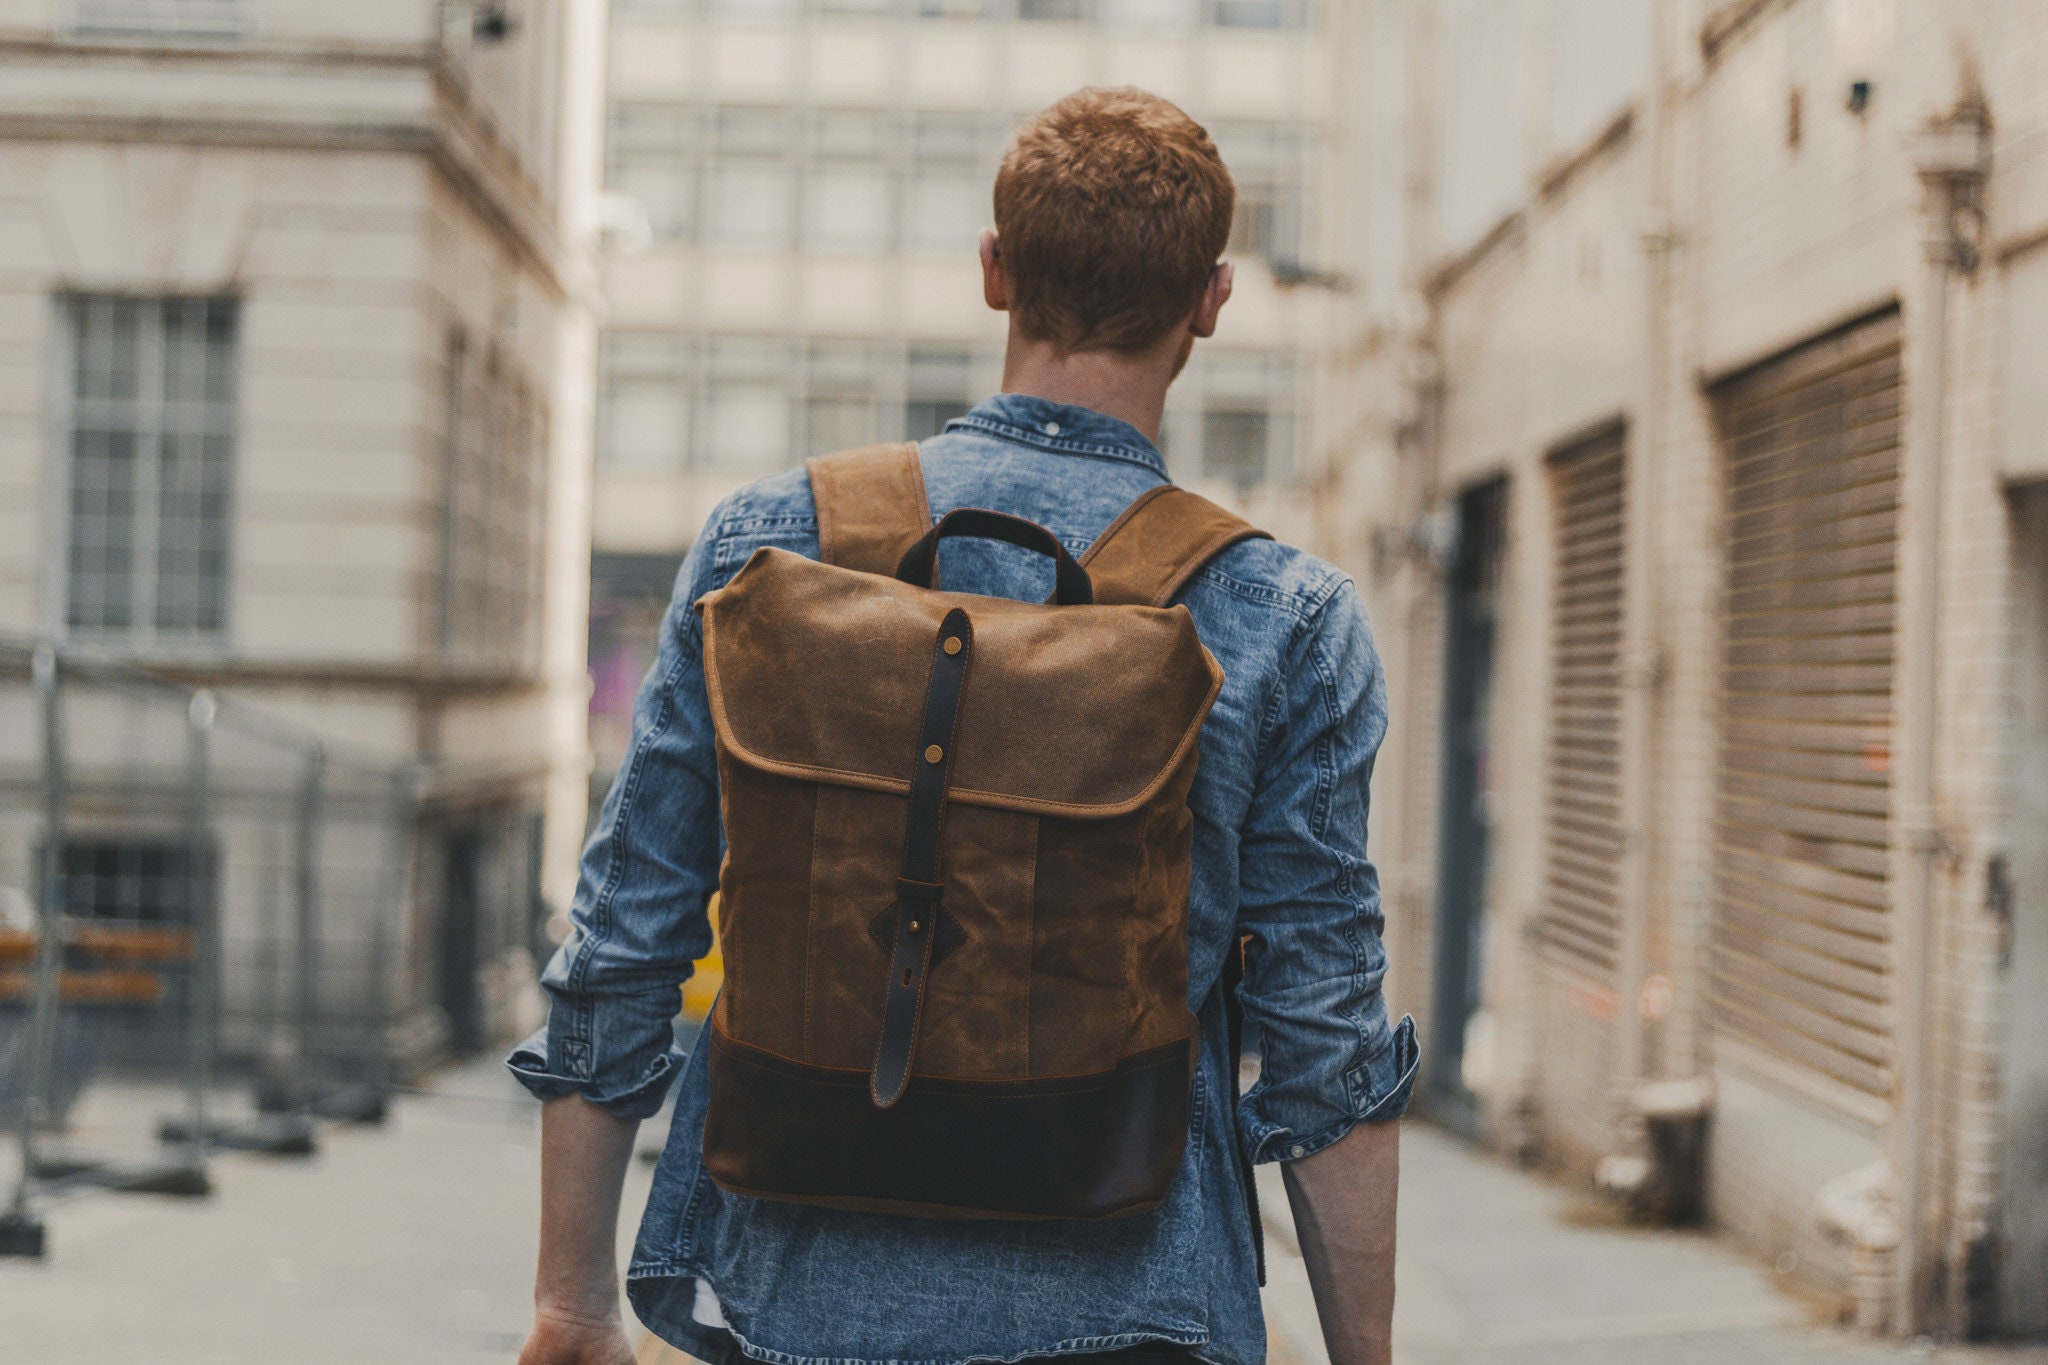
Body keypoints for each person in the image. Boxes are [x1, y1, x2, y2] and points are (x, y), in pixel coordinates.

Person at [510, 86, 1417, 1365]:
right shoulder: (1282, 616)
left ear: (994, 271)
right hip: (1136, 1309)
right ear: (1211, 300)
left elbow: (625, 937)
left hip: (792, 1293)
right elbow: (1324, 1040)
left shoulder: (771, 544)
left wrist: (570, 1302)